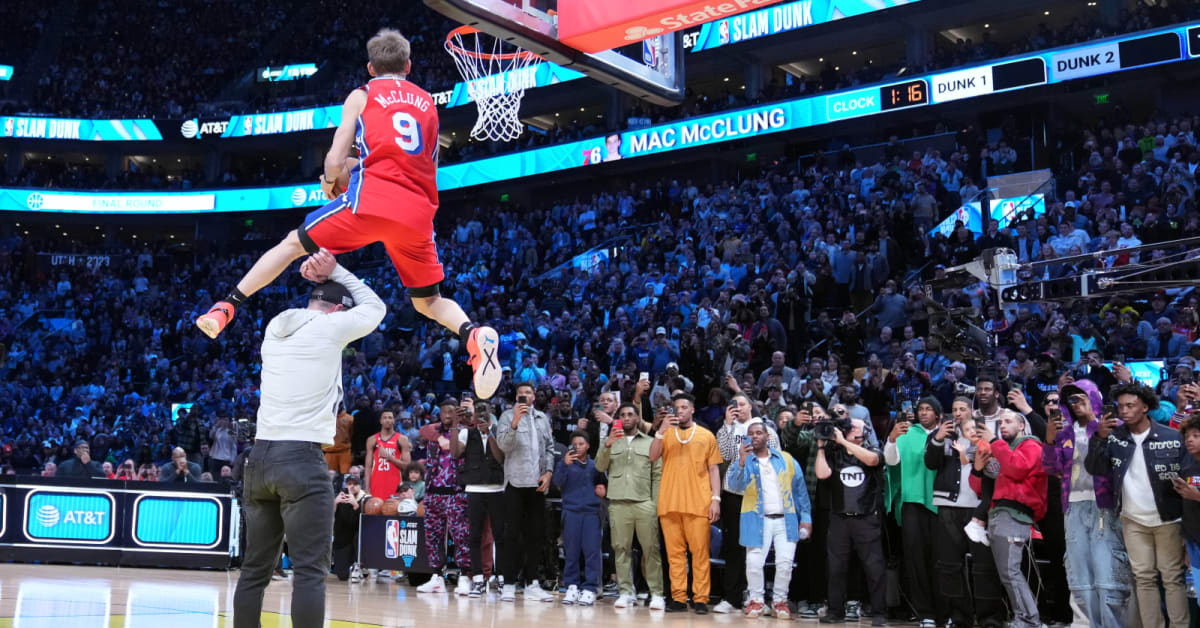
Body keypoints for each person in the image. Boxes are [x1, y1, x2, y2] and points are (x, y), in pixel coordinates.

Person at [195, 28, 501, 399]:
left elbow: (334, 159)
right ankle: (473, 334)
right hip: (418, 210)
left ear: (371, 68)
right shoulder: (427, 102)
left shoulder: (363, 94)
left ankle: (225, 308)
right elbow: (427, 165)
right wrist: (358, 171)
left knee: (291, 245)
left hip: (370, 203)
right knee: (428, 302)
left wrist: (329, 181)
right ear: (408, 65)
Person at [232, 251, 385, 628]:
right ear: (339, 310)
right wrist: (336, 270)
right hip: (301, 458)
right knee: (309, 572)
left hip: (261, 457)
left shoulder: (276, 325)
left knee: (254, 570)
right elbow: (375, 307)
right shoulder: (330, 327)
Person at [1086, 382, 1189, 628]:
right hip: (1132, 519)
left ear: (1145, 407)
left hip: (1168, 519)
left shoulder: (1172, 436)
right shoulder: (1114, 437)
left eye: (1130, 406)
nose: (1124, 411)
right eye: (1121, 406)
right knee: (1143, 579)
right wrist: (1099, 438)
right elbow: (1095, 468)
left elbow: (1188, 476)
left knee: (1172, 578)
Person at [1041, 380, 1131, 626]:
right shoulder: (1064, 433)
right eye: (1071, 399)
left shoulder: (1112, 426)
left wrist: (1093, 421)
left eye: (1081, 397)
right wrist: (1049, 441)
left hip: (1105, 507)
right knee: (1079, 575)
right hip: (1073, 507)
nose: (1076, 403)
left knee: (1108, 574)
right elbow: (1051, 468)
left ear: (1094, 397)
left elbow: (1117, 461)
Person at [924, 397, 1006, 628]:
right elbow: (930, 463)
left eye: (962, 408)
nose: (958, 413)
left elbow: (997, 470)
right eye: (954, 409)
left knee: (984, 567)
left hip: (978, 507)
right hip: (948, 506)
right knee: (949, 566)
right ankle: (960, 618)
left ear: (972, 411)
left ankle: (990, 618)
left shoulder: (985, 435)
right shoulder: (941, 435)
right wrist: (938, 438)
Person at [729, 420, 812, 620]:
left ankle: (779, 602)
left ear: (767, 436)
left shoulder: (786, 459)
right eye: (751, 434)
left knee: (785, 564)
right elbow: (734, 485)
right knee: (754, 563)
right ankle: (756, 601)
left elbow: (801, 491)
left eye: (759, 432)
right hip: (756, 519)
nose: (755, 436)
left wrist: (806, 518)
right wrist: (741, 461)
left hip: (786, 520)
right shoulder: (744, 460)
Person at [650, 392, 722, 614]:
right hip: (669, 502)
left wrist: (716, 499)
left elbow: (714, 469)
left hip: (699, 503)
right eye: (677, 407)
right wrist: (660, 430)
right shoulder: (666, 433)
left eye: (684, 407)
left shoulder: (706, 435)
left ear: (692, 410)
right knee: (674, 555)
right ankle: (678, 597)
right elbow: (652, 456)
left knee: (700, 554)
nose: (680, 411)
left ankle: (700, 598)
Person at [973, 412, 1045, 628]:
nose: (1002, 425)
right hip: (998, 513)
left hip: (1015, 513)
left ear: (1022, 426)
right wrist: (978, 468)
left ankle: (1029, 620)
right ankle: (1024, 618)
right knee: (1007, 573)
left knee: (1010, 572)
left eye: (1008, 421)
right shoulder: (1002, 450)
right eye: (1000, 422)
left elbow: (1017, 469)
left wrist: (995, 442)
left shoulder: (1031, 445)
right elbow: (978, 489)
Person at [713, 393, 780, 614]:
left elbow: (776, 457)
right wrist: (727, 425)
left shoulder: (766, 429)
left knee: (758, 546)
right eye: (734, 404)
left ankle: (755, 597)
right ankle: (732, 598)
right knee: (733, 546)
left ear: (751, 406)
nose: (738, 408)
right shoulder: (727, 429)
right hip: (734, 492)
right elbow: (723, 455)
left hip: (760, 493)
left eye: (742, 404)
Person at [595, 402, 666, 610]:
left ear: (637, 418)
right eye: (623, 415)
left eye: (630, 414)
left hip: (644, 503)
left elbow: (657, 475)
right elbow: (599, 466)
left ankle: (657, 593)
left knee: (651, 549)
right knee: (620, 549)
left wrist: (654, 504)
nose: (626, 418)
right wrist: (608, 445)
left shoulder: (650, 442)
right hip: (618, 502)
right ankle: (626, 592)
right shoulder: (610, 441)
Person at [817, 417, 886, 626]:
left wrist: (844, 442)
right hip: (840, 518)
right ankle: (835, 611)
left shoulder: (873, 449)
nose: (853, 428)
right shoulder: (834, 453)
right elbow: (822, 474)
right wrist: (821, 447)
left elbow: (872, 461)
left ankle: (879, 613)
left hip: (866, 517)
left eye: (857, 426)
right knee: (836, 567)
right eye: (850, 426)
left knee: (874, 567)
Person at [494, 382, 558, 602]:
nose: (524, 396)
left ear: (534, 396)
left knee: (535, 536)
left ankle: (532, 583)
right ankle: (509, 584)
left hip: (537, 484)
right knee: (511, 535)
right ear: (516, 397)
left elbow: (550, 448)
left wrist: (548, 472)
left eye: (528, 393)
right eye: (520, 393)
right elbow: (503, 446)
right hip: (515, 482)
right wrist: (514, 422)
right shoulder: (506, 416)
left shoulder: (542, 418)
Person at [884, 396, 942, 628]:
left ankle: (945, 611)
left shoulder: (947, 433)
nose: (924, 413)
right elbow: (891, 462)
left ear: (938, 414)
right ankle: (925, 612)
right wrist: (891, 439)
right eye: (921, 409)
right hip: (912, 502)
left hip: (941, 504)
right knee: (916, 560)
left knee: (940, 560)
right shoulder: (908, 433)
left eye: (929, 409)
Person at [449, 398, 507, 598]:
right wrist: (455, 424)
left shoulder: (499, 431)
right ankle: (478, 579)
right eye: (478, 410)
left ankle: (501, 577)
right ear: (473, 415)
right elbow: (455, 453)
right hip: (474, 488)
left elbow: (501, 458)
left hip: (497, 488)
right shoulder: (466, 433)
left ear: (490, 413)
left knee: (500, 535)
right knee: (474, 536)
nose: (481, 414)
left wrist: (489, 434)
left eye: (485, 410)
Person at [415, 399, 471, 595]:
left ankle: (465, 576)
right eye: (444, 411)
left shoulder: (464, 431)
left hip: (456, 492)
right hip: (433, 491)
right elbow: (423, 430)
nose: (448, 414)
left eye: (451, 411)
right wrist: (439, 438)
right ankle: (436, 576)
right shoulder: (433, 431)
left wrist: (460, 420)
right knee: (432, 537)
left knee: (461, 536)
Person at [553, 431, 608, 606]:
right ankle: (572, 586)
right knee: (572, 552)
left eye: (581, 444)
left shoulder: (595, 466)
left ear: (588, 446)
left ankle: (590, 588)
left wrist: (602, 490)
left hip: (592, 513)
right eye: (574, 444)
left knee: (592, 552)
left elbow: (603, 486)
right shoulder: (566, 463)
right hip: (571, 512)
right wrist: (564, 464)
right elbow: (557, 483)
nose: (577, 447)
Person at [365, 409, 411, 500]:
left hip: (395, 484)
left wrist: (389, 457)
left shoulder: (402, 439)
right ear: (381, 421)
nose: (387, 420)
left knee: (392, 508)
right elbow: (368, 467)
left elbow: (407, 466)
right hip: (376, 484)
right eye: (385, 418)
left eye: (390, 418)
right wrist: (367, 488)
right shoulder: (372, 440)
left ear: (394, 420)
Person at [332, 474, 368, 582]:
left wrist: (355, 505)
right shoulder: (340, 497)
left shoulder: (366, 499)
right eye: (349, 484)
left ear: (360, 486)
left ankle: (360, 565)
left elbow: (363, 522)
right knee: (342, 576)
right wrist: (335, 503)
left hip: (357, 541)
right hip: (342, 542)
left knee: (358, 537)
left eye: (355, 484)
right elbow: (330, 518)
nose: (352, 486)